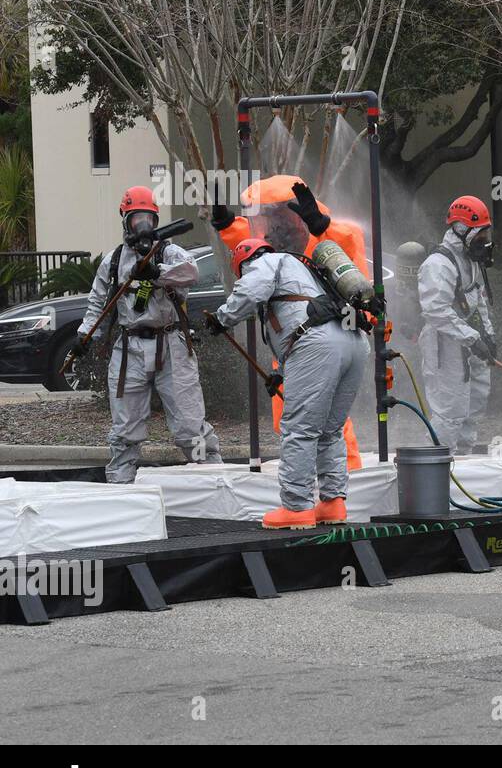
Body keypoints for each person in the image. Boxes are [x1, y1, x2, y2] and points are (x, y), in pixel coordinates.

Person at [206, 238, 369, 529]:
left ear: (244, 262)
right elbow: (299, 324)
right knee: (330, 429)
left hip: (319, 345)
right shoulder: (306, 270)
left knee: (300, 429)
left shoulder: (267, 262)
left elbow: (251, 292)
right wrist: (281, 372)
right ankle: (333, 504)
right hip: (353, 342)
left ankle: (297, 508)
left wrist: (222, 318)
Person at [211, 175, 367, 469]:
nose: (270, 226)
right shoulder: (283, 240)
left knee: (319, 420)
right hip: (299, 346)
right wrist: (226, 224)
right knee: (298, 418)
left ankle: (328, 480)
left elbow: (344, 242)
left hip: (317, 342)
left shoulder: (330, 236)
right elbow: (252, 240)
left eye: (276, 216)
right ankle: (324, 483)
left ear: (294, 215)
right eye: (266, 218)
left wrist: (222, 319)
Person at [71, 186, 222, 482]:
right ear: (125, 220)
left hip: (171, 346)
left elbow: (191, 273)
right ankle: (121, 484)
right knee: (125, 428)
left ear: (155, 220)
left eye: (147, 218)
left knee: (190, 425)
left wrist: (156, 273)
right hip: (130, 349)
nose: (142, 224)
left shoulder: (169, 251)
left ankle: (213, 476)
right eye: (135, 217)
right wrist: (85, 335)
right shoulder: (114, 261)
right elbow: (98, 302)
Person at [417, 196, 497, 454]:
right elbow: (435, 311)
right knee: (450, 409)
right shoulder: (438, 265)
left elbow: (479, 299)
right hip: (445, 343)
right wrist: (472, 338)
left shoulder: (471, 260)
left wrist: (488, 334)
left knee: (475, 404)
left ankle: (464, 459)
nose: (484, 241)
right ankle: (442, 467)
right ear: (461, 230)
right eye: (480, 235)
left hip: (469, 339)